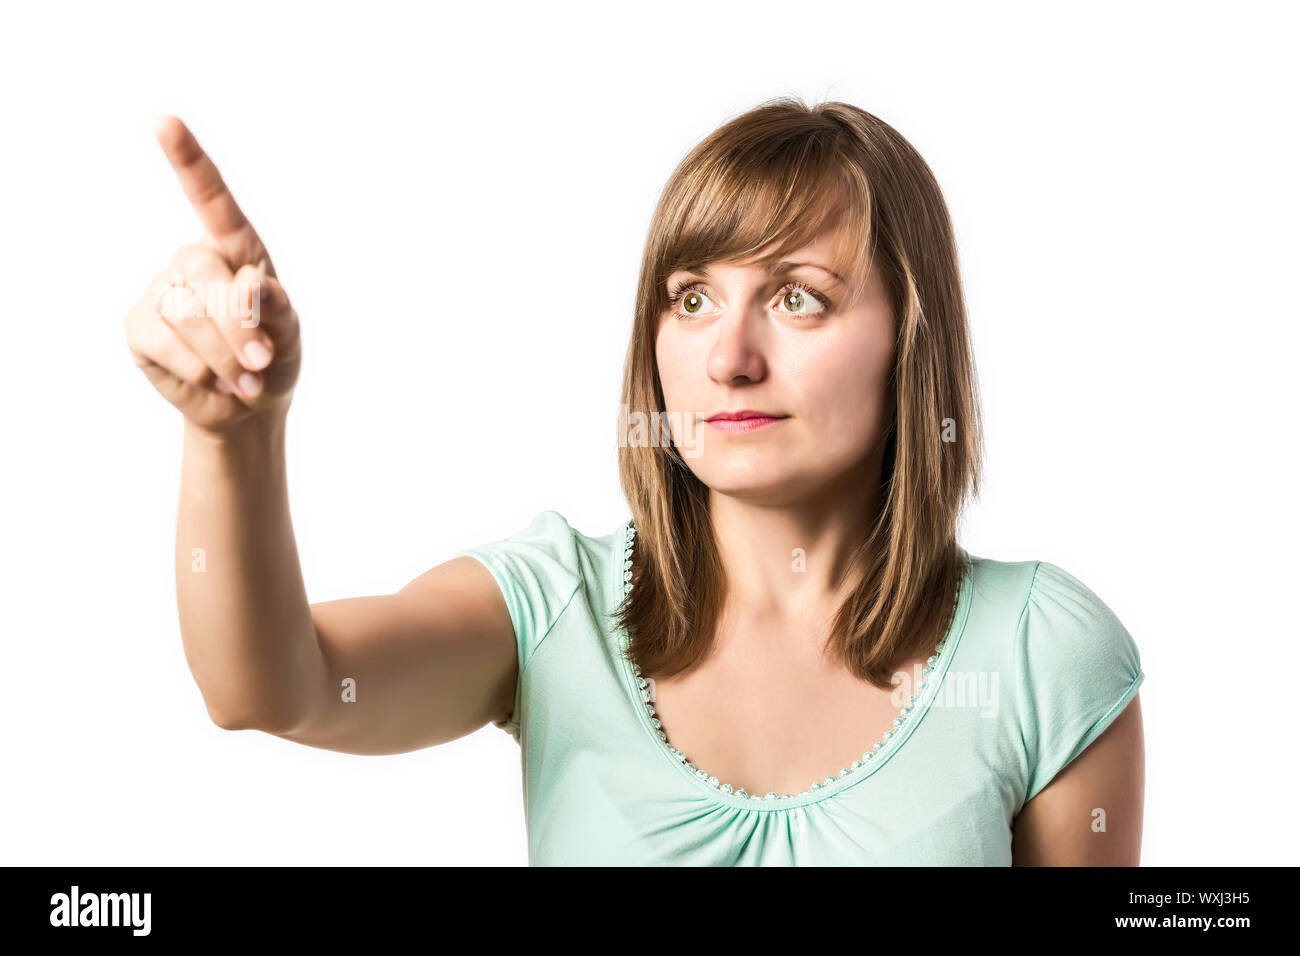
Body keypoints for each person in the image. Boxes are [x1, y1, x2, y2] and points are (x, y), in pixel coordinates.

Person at [124, 97, 1145, 866]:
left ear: (909, 337)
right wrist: (232, 436)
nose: (728, 357)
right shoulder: (552, 609)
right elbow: (266, 685)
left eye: (796, 298)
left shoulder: (1039, 654)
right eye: (692, 297)